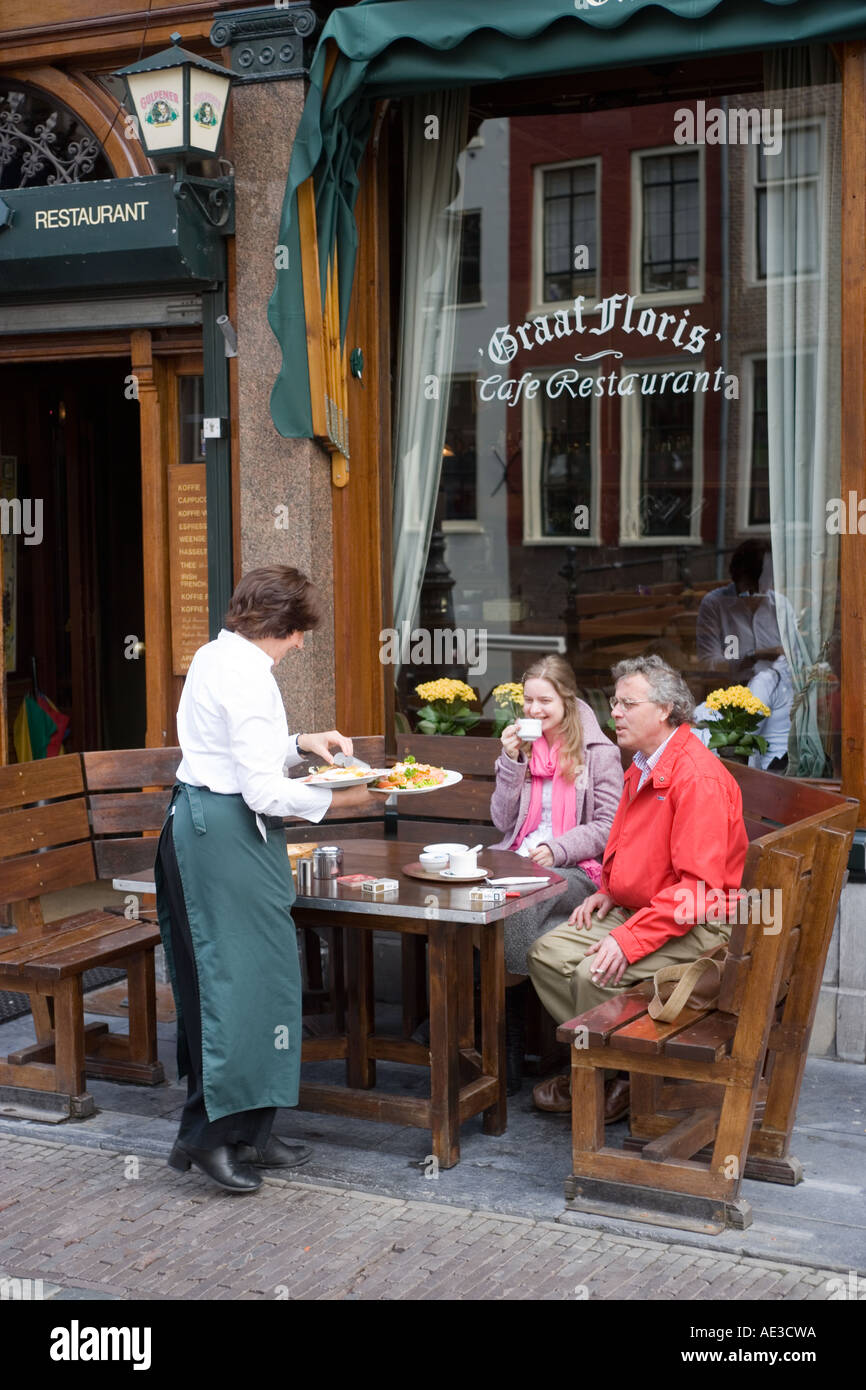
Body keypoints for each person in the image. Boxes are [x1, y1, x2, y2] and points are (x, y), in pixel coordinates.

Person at [155, 566, 375, 1194]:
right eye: (300, 632)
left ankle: (250, 1131)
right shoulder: (248, 678)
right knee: (235, 992)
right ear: (279, 626)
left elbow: (233, 750)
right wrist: (349, 797)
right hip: (221, 836)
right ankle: (205, 1140)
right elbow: (257, 787)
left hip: (209, 827)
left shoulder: (214, 656)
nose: (303, 644)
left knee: (259, 984)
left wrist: (300, 740)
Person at [527, 655, 748, 1122]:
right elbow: (627, 838)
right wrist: (609, 886)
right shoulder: (645, 762)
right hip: (643, 908)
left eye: (628, 704)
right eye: (614, 702)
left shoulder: (697, 777)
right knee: (545, 954)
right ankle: (616, 1070)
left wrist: (625, 942)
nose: (615, 713)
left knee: (592, 975)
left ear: (665, 709)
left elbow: (697, 891)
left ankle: (608, 1077)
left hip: (699, 923)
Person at [489, 655, 623, 1095]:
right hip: (518, 857)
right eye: (527, 700)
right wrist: (510, 762)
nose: (533, 710)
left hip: (575, 868)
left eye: (544, 701)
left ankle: (505, 1036)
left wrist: (558, 849)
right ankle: (473, 1017)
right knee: (473, 896)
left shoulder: (598, 753)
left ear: (566, 699)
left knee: (527, 906)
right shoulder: (523, 747)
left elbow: (608, 826)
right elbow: (501, 821)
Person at [696, 538, 793, 688]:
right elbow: (708, 665)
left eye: (764, 585)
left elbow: (797, 658)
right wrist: (753, 656)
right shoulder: (715, 604)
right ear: (737, 577)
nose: (757, 594)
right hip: (731, 692)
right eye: (750, 588)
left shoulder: (781, 605)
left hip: (778, 691)